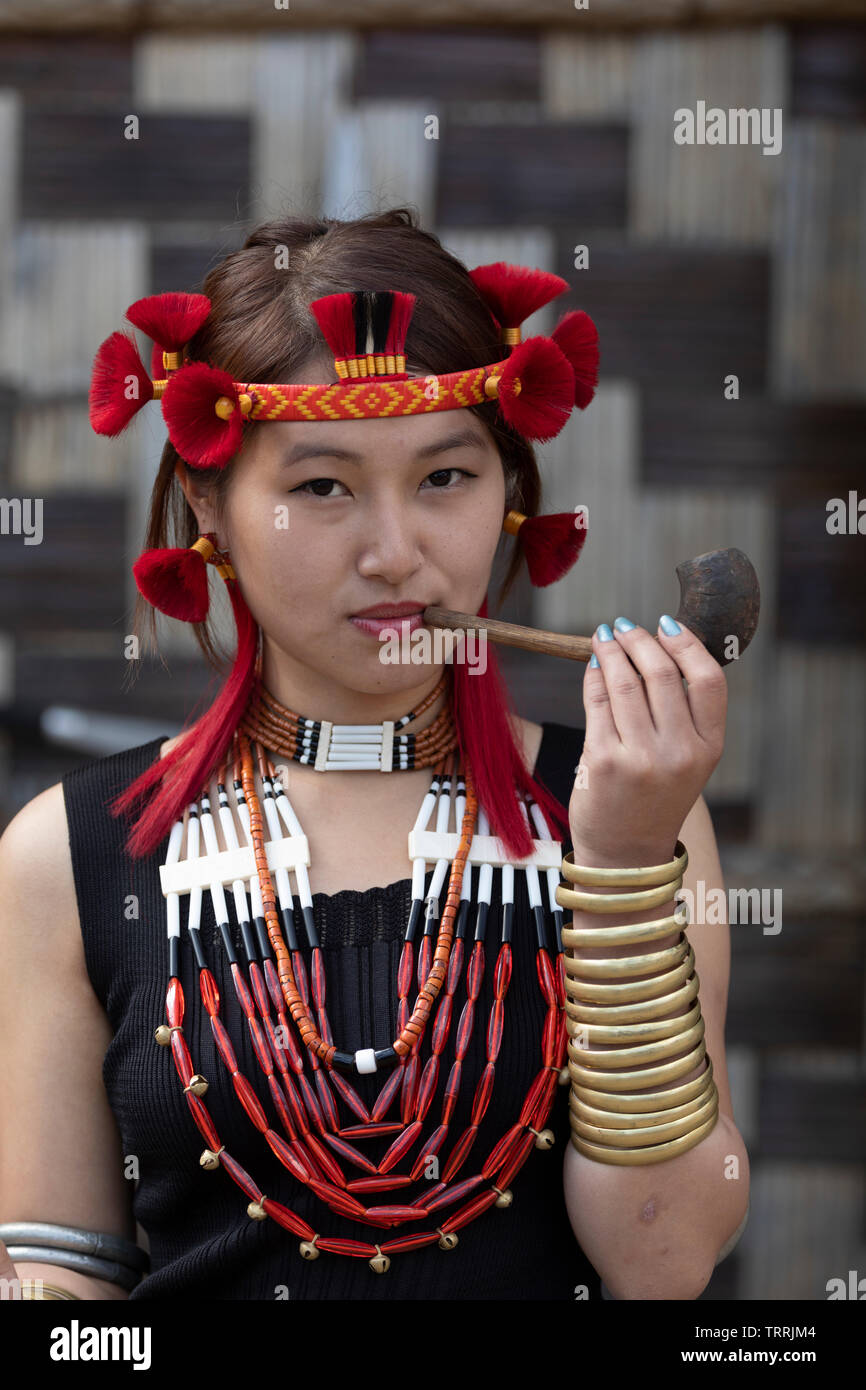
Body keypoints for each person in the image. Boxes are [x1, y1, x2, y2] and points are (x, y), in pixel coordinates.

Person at [0, 207, 748, 1302]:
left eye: (444, 477)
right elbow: (61, 1291)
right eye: (321, 487)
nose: (398, 553)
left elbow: (662, 1263)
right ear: (210, 503)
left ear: (506, 494)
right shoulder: (66, 859)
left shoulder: (628, 813)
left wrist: (625, 861)